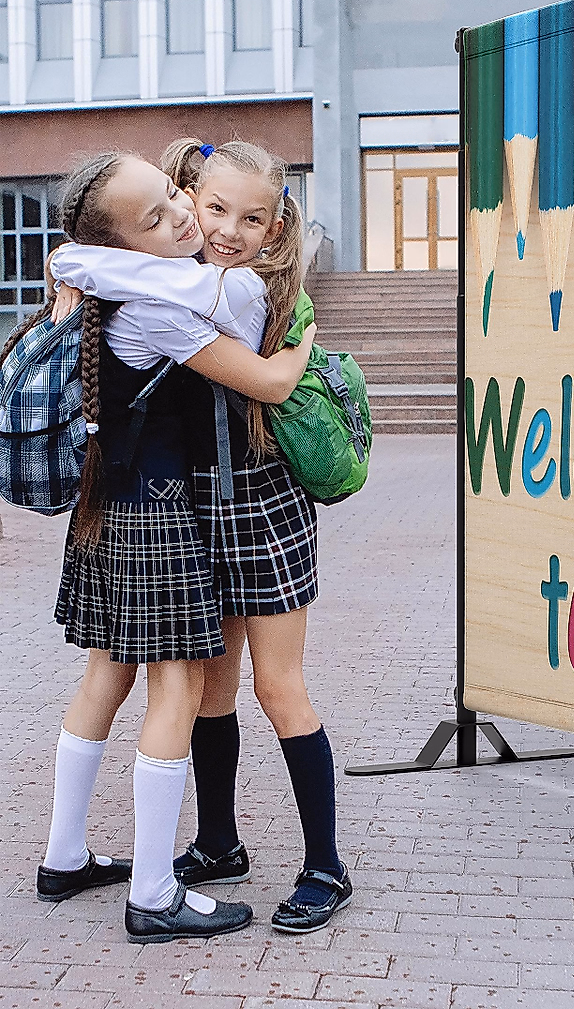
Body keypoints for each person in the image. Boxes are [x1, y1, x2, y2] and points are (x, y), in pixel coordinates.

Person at [6, 151, 317, 942]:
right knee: (176, 691)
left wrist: (78, 261)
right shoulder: (164, 302)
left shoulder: (113, 286)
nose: (182, 215)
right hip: (157, 514)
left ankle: (65, 857)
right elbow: (247, 326)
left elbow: (122, 262)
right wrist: (298, 352)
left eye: (174, 194)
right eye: (157, 216)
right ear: (123, 247)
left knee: (103, 679)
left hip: (104, 511)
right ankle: (153, 893)